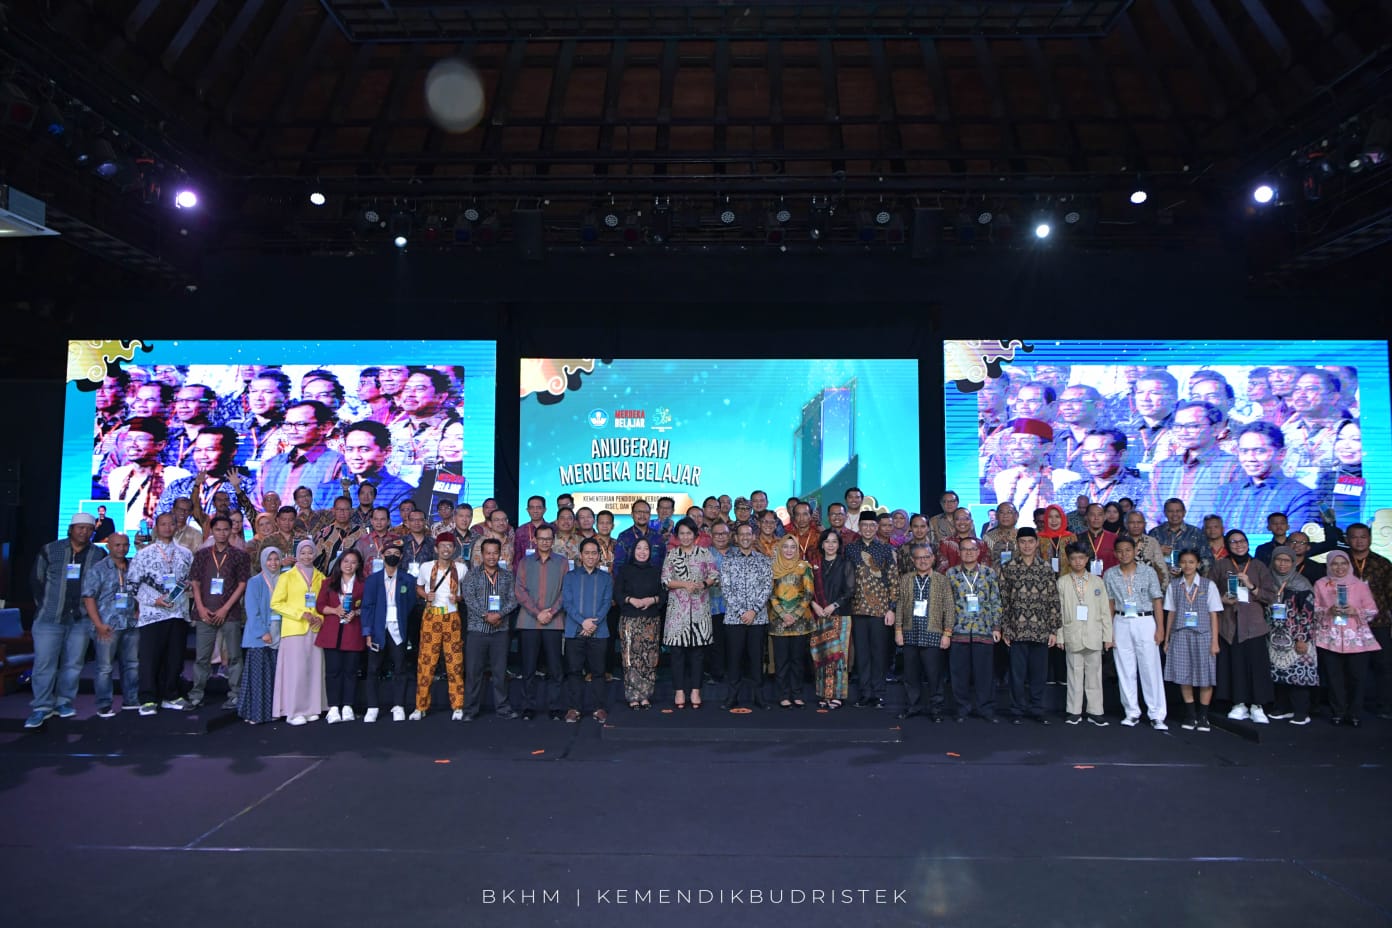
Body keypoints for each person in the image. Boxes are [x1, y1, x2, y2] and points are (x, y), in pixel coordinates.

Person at [25, 512, 108, 727]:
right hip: (49, 617)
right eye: (80, 527)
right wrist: (46, 605)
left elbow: (102, 585)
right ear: (71, 529)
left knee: (73, 664)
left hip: (81, 618)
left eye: (88, 529)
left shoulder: (98, 554)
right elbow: (37, 580)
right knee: (44, 664)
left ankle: (63, 701)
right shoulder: (50, 550)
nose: (84, 532)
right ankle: (42, 706)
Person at [129, 512, 194, 715]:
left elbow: (190, 579)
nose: (167, 528)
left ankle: (171, 695)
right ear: (156, 528)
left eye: (171, 524)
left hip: (178, 612)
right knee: (149, 658)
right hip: (152, 614)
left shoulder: (185, 553)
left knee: (175, 657)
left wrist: (189, 586)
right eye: (163, 524)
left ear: (176, 527)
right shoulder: (144, 554)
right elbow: (132, 584)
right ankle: (148, 699)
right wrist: (154, 600)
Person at [187, 513, 252, 710]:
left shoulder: (239, 555)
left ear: (231, 530)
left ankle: (235, 694)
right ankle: (196, 694)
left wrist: (225, 608)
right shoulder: (202, 554)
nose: (222, 533)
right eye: (218, 529)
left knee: (233, 656)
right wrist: (200, 607)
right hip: (204, 612)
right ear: (212, 531)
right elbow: (195, 582)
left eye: (226, 529)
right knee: (202, 658)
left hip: (230, 613)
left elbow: (242, 584)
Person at [1211, 530, 1276, 724]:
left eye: (1242, 541)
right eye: (1233, 542)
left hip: (1253, 624)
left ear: (1248, 543)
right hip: (1229, 624)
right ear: (1227, 545)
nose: (1239, 545)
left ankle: (1257, 705)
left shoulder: (1258, 566)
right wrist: (1221, 599)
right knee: (1235, 665)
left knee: (1256, 666)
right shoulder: (1221, 565)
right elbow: (1208, 591)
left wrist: (1251, 586)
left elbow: (1270, 596)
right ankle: (1238, 704)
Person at [998, 527, 1060, 725]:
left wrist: (1053, 630)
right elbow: (1003, 601)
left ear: (1036, 544)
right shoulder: (1008, 568)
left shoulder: (1046, 568)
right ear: (1018, 544)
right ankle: (1017, 710)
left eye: (1030, 542)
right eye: (1022, 542)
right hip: (1016, 629)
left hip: (1041, 630)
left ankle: (1037, 709)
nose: (1026, 545)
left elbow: (1054, 600)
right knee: (1017, 675)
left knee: (1038, 674)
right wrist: (1005, 628)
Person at [1104, 536, 1167, 729]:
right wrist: (1109, 631)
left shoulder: (1148, 572)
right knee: (1125, 669)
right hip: (1121, 621)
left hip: (1145, 620)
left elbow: (1157, 600)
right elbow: (1110, 604)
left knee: (1150, 668)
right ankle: (1131, 712)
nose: (1124, 554)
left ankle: (1157, 714)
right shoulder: (1110, 574)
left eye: (1128, 550)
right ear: (1115, 554)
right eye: (1120, 551)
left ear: (1134, 551)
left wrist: (1160, 628)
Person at [1313, 550, 1382, 727]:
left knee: (1357, 678)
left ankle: (1354, 713)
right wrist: (1328, 611)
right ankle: (1338, 712)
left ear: (1349, 565)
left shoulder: (1359, 585)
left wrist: (1355, 611)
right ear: (1328, 565)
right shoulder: (1321, 584)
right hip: (1330, 638)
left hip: (1356, 639)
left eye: (1343, 563)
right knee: (1334, 678)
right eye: (1334, 564)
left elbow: (1372, 610)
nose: (1339, 568)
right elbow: (1313, 609)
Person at [1214, 421, 1320, 534]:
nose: (1250, 458)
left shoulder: (1300, 496)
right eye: (1244, 451)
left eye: (1260, 451)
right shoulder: (1226, 492)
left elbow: (1291, 544)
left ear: (1281, 454)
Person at [1144, 400, 1239, 526]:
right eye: (1178, 426)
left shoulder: (1233, 467)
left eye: (1193, 426)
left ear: (1215, 429)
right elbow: (1149, 514)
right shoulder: (1164, 467)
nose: (1183, 432)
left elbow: (1234, 517)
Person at [360, 538, 419, 722]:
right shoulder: (372, 580)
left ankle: (399, 705)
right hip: (378, 628)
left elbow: (410, 605)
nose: (392, 556)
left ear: (401, 557)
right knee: (373, 669)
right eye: (388, 554)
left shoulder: (408, 579)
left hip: (398, 629)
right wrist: (367, 632)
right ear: (382, 555)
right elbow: (367, 607)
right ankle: (372, 707)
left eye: (396, 554)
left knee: (400, 668)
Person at [662, 518, 719, 709]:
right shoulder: (671, 555)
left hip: (699, 610)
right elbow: (665, 580)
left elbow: (714, 575)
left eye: (689, 533)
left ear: (695, 535)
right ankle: (679, 691)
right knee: (677, 653)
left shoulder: (704, 553)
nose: (685, 537)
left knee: (697, 653)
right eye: (682, 533)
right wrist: (684, 584)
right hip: (678, 610)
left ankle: (696, 690)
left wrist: (703, 584)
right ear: (677, 536)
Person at [1163, 549, 1223, 731]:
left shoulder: (1208, 585)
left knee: (1205, 676)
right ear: (1179, 564)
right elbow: (1171, 613)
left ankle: (1203, 716)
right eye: (1183, 562)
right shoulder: (1174, 585)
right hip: (1181, 634)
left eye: (1191, 562)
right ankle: (1190, 715)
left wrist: (1215, 641)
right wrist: (1167, 639)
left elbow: (1214, 614)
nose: (1187, 565)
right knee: (1184, 675)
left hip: (1203, 634)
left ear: (1198, 564)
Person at [460, 537, 519, 721]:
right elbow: (469, 599)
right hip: (477, 630)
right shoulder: (472, 575)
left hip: (500, 631)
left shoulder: (508, 575)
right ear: (482, 554)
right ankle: (470, 710)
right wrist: (487, 615)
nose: (492, 556)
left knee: (500, 672)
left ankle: (502, 708)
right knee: (473, 673)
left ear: (500, 554)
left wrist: (499, 615)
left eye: (495, 553)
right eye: (488, 553)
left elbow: (514, 599)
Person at [270, 540, 328, 726]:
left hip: (315, 628)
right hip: (294, 628)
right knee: (295, 672)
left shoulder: (321, 577)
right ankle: (293, 711)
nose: (306, 556)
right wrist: (300, 614)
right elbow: (276, 603)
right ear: (297, 554)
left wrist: (321, 618)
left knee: (313, 670)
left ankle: (312, 708)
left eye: (310, 552)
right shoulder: (287, 576)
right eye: (302, 553)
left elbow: (323, 604)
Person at [514, 523, 568, 720]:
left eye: (548, 538)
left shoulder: (562, 563)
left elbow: (566, 590)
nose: (545, 542)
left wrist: (551, 612)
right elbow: (519, 591)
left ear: (553, 541)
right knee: (528, 668)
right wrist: (537, 613)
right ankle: (528, 707)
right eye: (541, 538)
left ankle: (555, 707)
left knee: (555, 668)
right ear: (535, 540)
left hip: (554, 622)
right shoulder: (524, 563)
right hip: (529, 621)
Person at [844, 511, 898, 708]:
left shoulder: (885, 550)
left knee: (879, 653)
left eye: (871, 526)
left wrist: (892, 608)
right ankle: (865, 693)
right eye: (864, 525)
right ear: (859, 527)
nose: (867, 529)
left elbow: (893, 580)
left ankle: (879, 693)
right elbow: (847, 580)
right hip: (857, 609)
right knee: (862, 654)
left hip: (880, 610)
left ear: (877, 528)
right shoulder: (850, 549)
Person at [945, 537, 1002, 722]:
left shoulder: (989, 573)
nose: (968, 552)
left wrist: (996, 626)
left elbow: (995, 601)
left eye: (972, 549)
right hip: (958, 631)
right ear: (959, 552)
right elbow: (947, 603)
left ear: (979, 552)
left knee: (985, 674)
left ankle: (986, 709)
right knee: (959, 674)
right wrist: (947, 630)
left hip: (983, 630)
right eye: (964, 549)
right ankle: (962, 709)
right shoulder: (951, 574)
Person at [79, 531, 136, 718]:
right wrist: (98, 624)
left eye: (125, 545)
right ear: (109, 546)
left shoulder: (133, 567)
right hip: (107, 625)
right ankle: (104, 704)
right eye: (117, 545)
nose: (122, 549)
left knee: (132, 664)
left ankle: (131, 700)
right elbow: (89, 598)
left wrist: (138, 611)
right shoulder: (98, 569)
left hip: (131, 624)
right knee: (105, 667)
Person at [1056, 541, 1112, 726]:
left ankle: (1095, 710)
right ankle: (1074, 710)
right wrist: (1060, 636)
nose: (1078, 562)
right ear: (1069, 560)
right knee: (1073, 674)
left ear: (1087, 559)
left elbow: (1105, 610)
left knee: (1094, 674)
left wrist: (1107, 637)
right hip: (1073, 632)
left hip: (1093, 633)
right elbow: (1059, 611)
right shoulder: (1063, 582)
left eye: (1081, 558)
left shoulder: (1097, 581)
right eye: (1073, 559)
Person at [412, 533, 468, 720]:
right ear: (436, 549)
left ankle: (458, 706)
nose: (446, 549)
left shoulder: (461, 568)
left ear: (454, 549)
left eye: (449, 546)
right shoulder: (426, 567)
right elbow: (418, 587)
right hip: (431, 616)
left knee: (455, 662)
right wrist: (424, 595)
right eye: (442, 546)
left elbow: (466, 593)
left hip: (452, 617)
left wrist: (458, 598)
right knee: (426, 662)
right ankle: (420, 707)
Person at [895, 543, 953, 721]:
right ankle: (913, 707)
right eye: (919, 558)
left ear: (933, 559)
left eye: (926, 557)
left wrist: (947, 633)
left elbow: (949, 608)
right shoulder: (906, 579)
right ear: (913, 560)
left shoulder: (942, 580)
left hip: (934, 634)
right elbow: (899, 607)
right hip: (910, 633)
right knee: (911, 675)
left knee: (934, 676)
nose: (923, 561)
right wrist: (898, 630)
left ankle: (936, 710)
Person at [720, 522, 774, 711]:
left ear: (753, 537)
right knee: (734, 659)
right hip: (735, 618)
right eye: (741, 534)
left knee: (756, 659)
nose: (745, 537)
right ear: (736, 538)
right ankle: (732, 697)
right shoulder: (728, 560)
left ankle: (759, 697)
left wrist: (753, 610)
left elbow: (767, 587)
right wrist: (742, 612)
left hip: (758, 618)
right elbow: (725, 588)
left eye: (748, 534)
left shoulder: (764, 560)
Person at [108, 417, 193, 533]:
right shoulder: (117, 476)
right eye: (128, 439)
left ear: (160, 445)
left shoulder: (176, 476)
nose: (132, 444)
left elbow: (187, 519)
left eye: (140, 439)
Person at [1264, 547, 1319, 726]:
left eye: (1287, 560)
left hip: (1297, 638)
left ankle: (1301, 712)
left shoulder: (1302, 584)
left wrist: (1302, 638)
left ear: (1293, 562)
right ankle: (1282, 707)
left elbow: (1309, 614)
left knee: (1298, 676)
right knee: (1278, 674)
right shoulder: (1267, 581)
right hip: (1274, 637)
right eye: (1279, 560)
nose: (1282, 564)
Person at [562, 538, 614, 722]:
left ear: (599, 556)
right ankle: (574, 709)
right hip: (574, 631)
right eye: (587, 553)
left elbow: (607, 603)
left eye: (594, 553)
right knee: (574, 671)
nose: (591, 556)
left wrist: (593, 624)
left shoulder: (606, 578)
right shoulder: (570, 576)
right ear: (581, 556)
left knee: (598, 672)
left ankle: (598, 708)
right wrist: (583, 623)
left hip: (599, 632)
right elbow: (567, 603)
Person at [1343, 523, 1392, 718]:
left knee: (1384, 666)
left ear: (1370, 539)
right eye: (1354, 537)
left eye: (1363, 537)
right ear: (1347, 540)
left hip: (1378, 623)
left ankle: (1385, 706)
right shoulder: (1342, 563)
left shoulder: (1383, 563)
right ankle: (1354, 706)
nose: (1359, 540)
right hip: (1350, 624)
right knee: (1353, 668)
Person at [257, 400, 345, 506]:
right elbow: (255, 506)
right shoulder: (271, 464)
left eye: (301, 424)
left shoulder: (337, 463)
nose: (292, 431)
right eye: (288, 424)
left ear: (324, 427)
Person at [314, 549, 367, 723]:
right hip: (332, 632)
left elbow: (368, 606)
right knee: (333, 672)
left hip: (352, 631)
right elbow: (320, 606)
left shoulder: (362, 584)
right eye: (346, 561)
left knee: (350, 672)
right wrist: (335, 610)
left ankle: (348, 706)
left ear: (358, 565)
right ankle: (334, 707)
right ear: (339, 563)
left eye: (353, 562)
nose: (349, 565)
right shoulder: (328, 582)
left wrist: (356, 612)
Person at [613, 536, 665, 710]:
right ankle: (633, 696)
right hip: (629, 619)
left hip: (651, 621)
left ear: (650, 552)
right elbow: (617, 593)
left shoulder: (656, 571)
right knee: (631, 659)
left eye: (646, 549)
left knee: (649, 658)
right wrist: (630, 599)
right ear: (633, 551)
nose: (642, 552)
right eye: (639, 548)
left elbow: (664, 595)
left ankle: (646, 696)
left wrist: (653, 599)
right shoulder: (625, 570)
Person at [326, 420, 415, 518]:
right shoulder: (327, 489)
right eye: (350, 449)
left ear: (386, 451)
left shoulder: (401, 492)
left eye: (364, 450)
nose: (355, 456)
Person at [388, 369, 461, 486]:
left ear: (441, 397)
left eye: (420, 389)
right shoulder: (393, 429)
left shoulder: (454, 430)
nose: (410, 394)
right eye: (406, 389)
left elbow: (456, 478)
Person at [810, 527, 855, 710]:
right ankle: (824, 693)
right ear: (822, 544)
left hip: (840, 615)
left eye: (834, 542)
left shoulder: (845, 564)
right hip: (818, 615)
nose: (830, 545)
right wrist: (815, 605)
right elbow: (807, 589)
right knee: (822, 657)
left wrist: (833, 605)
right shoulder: (815, 564)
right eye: (827, 541)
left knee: (838, 657)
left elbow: (850, 590)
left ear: (839, 545)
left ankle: (836, 695)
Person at [992, 418, 1077, 515]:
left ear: (1047, 447)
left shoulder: (1065, 479)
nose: (1016, 447)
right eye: (1013, 441)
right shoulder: (1002, 479)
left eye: (1025, 441)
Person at [767, 535, 814, 709]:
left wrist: (794, 614)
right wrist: (782, 614)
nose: (789, 550)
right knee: (781, 661)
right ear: (780, 549)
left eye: (793, 547)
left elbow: (809, 593)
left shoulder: (804, 567)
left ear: (797, 549)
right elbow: (770, 594)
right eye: (785, 547)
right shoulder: (773, 567)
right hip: (778, 621)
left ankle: (797, 693)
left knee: (797, 661)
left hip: (800, 621)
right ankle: (783, 695)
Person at [1058, 428, 1151, 512]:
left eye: (1099, 452)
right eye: (1086, 453)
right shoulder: (1068, 489)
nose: (1091, 458)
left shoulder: (1141, 490)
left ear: (1121, 455)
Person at [239, 547, 282, 725]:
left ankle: (273, 712)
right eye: (269, 559)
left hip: (279, 634)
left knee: (274, 678)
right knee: (258, 678)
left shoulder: (284, 579)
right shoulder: (254, 582)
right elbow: (252, 610)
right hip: (259, 637)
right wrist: (262, 632)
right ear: (263, 561)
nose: (273, 563)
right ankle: (256, 714)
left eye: (276, 559)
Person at [1315, 419, 1364, 526]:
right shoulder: (1327, 479)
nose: (1345, 445)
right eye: (1340, 438)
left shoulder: (1379, 477)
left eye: (1355, 439)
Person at [1148, 497, 1208, 576]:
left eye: (1178, 511)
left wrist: (1187, 569)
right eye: (1170, 511)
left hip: (1189, 582)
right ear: (1165, 513)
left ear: (1184, 512)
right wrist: (1157, 552)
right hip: (1161, 583)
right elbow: (1144, 561)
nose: (1175, 514)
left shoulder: (1196, 533)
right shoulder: (1155, 533)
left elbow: (1207, 560)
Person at [1122, 510, 1170, 590]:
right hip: (1125, 587)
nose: (1136, 525)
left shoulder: (1152, 542)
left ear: (1145, 524)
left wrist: (1164, 588)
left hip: (1149, 589)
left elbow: (1161, 566)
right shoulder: (1120, 542)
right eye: (1132, 522)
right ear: (1126, 525)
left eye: (1139, 522)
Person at [1036, 503, 1076, 574]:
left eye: (1057, 516)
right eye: (1050, 517)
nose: (1053, 520)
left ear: (1062, 518)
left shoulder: (1071, 537)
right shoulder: (1039, 538)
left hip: (1067, 580)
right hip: (1045, 579)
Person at [1080, 503, 1118, 575]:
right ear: (1086, 517)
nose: (1096, 518)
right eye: (1092, 515)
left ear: (1105, 517)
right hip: (1085, 581)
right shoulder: (1078, 538)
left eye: (1100, 514)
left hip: (1108, 580)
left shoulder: (1114, 538)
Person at [515, 495, 551, 566]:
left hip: (549, 570)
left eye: (539, 508)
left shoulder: (552, 529)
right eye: (532, 508)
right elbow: (517, 557)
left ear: (545, 510)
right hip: (526, 571)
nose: (535, 511)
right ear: (527, 510)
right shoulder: (520, 531)